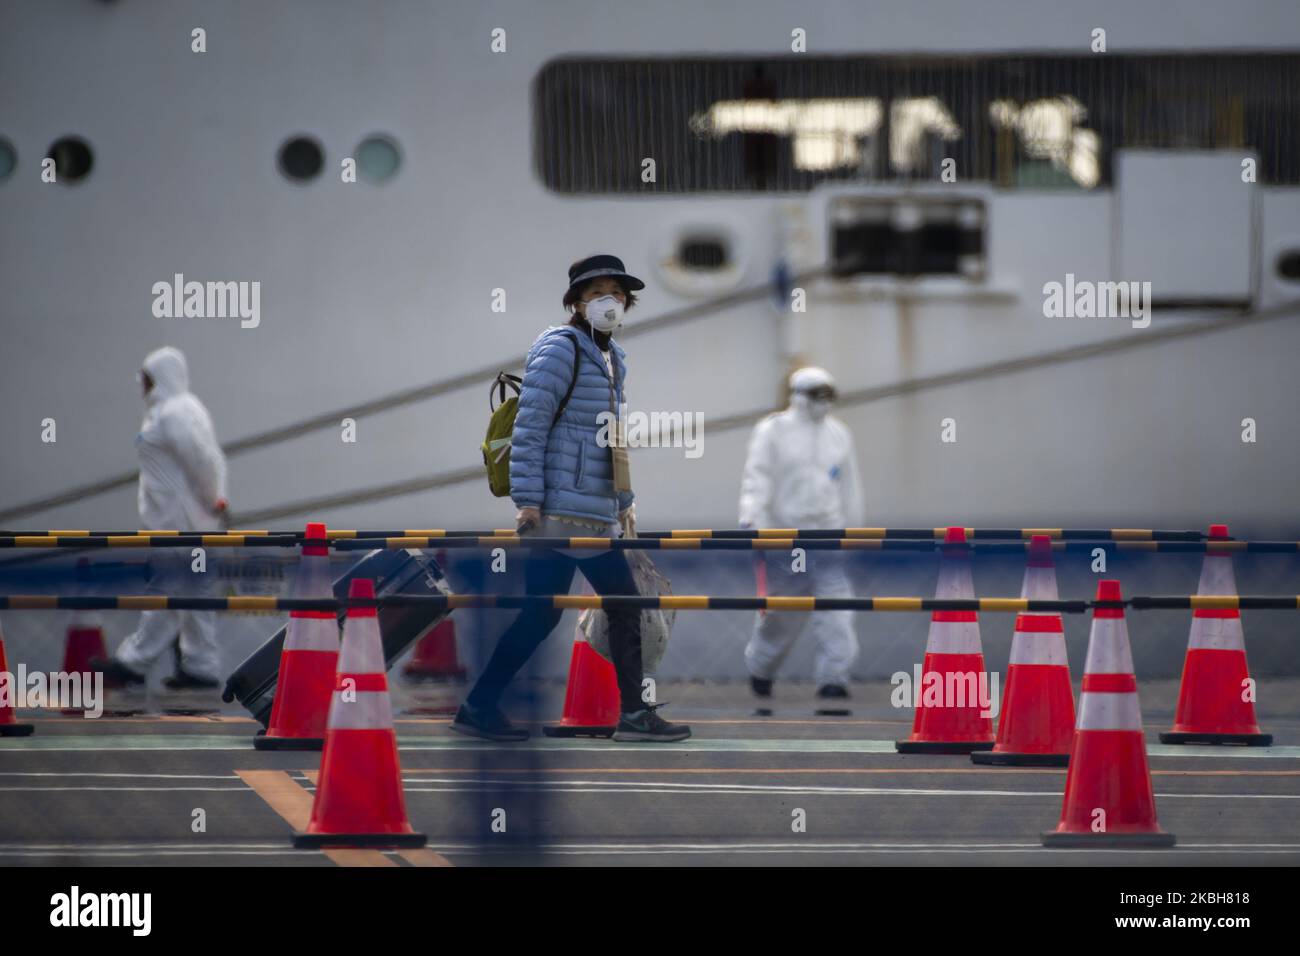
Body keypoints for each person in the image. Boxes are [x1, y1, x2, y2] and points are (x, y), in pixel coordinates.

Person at [452, 254, 690, 743]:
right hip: (563, 511)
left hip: (591, 508)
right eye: (598, 291)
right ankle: (634, 714)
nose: (610, 300)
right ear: (577, 301)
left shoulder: (613, 358)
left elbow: (610, 439)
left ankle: (478, 704)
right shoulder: (560, 348)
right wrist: (527, 502)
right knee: (623, 603)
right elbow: (530, 426)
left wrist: (624, 500)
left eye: (619, 293)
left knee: (541, 612)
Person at [93, 346, 229, 689]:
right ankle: (201, 665)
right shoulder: (170, 411)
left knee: (167, 590)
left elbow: (203, 461)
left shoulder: (175, 413)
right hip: (177, 520)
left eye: (148, 379)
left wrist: (216, 500)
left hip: (182, 522)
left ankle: (134, 661)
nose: (143, 385)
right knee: (192, 594)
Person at [738, 366, 864, 702]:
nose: (824, 403)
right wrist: (754, 520)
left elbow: (849, 488)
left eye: (828, 395)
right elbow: (758, 478)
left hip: (828, 536)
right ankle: (761, 668)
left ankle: (833, 679)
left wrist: (855, 531)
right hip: (785, 537)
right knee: (783, 613)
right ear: (800, 395)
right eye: (817, 395)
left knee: (837, 608)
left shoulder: (839, 434)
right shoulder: (773, 431)